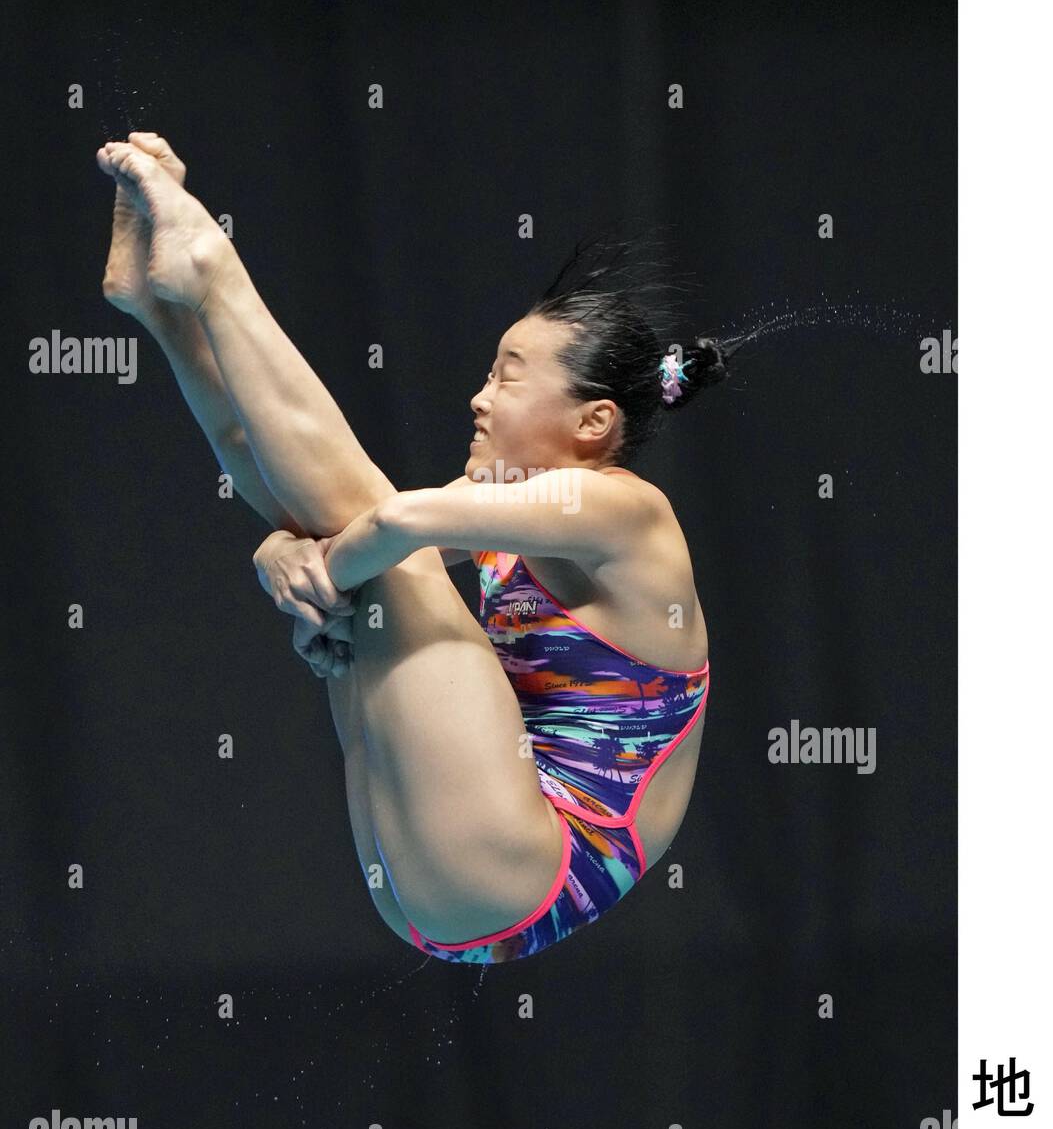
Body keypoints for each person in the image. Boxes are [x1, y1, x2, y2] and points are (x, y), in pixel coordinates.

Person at [97, 132, 731, 964]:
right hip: (442, 888)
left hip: (527, 862)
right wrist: (288, 557)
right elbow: (328, 507)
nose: (477, 397)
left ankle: (213, 270)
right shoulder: (506, 521)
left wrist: (304, 574)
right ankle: (168, 311)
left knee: (372, 538)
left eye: (506, 376)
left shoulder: (627, 512)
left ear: (593, 422)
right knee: (337, 528)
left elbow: (395, 527)